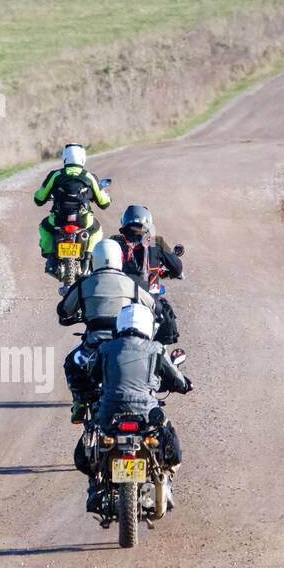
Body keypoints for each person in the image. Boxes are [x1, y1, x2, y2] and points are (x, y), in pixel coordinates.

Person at [74, 303, 192, 513]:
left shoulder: (105, 348)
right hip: (146, 414)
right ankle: (165, 481)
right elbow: (176, 379)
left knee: (93, 442)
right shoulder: (156, 349)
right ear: (148, 326)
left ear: (120, 324)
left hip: (110, 414)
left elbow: (92, 377)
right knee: (167, 440)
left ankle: (95, 486)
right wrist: (185, 385)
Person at [56, 240, 155, 423]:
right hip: (123, 345)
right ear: (119, 259)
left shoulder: (84, 283)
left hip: (92, 347)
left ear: (95, 260)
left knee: (71, 363)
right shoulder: (130, 284)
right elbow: (151, 305)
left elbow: (64, 310)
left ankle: (80, 402)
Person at [34, 144, 111, 278]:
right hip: (83, 220)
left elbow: (39, 199)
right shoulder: (89, 176)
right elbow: (104, 203)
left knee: (44, 227)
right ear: (83, 158)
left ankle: (52, 259)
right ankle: (87, 260)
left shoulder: (55, 175)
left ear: (64, 157)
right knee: (96, 230)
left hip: (58, 219)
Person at [110, 204, 184, 343]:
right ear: (148, 222)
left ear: (124, 220)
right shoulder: (156, 242)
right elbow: (177, 268)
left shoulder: (113, 241)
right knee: (164, 332)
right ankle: (166, 363)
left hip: (118, 301)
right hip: (150, 304)